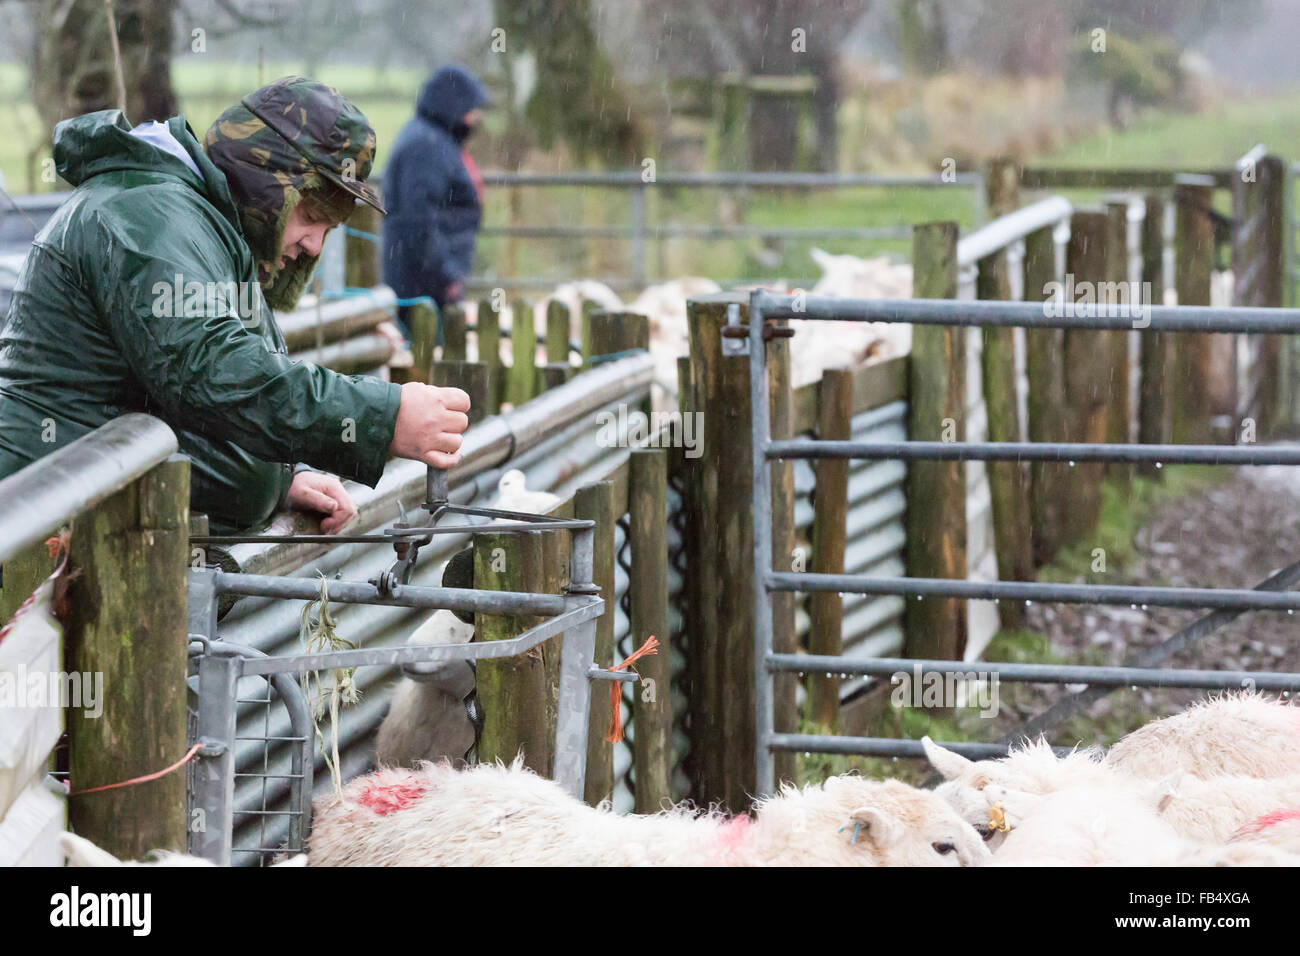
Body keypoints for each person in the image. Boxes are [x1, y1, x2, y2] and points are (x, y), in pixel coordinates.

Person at [0, 77, 469, 533]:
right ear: (266, 187)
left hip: (72, 525)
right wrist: (383, 417)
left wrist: (282, 477)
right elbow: (211, 370)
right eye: (310, 218)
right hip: (29, 524)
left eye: (329, 230)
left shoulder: (201, 230)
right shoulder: (150, 220)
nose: (313, 247)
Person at [382, 65, 489, 335]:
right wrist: (446, 276)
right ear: (454, 105)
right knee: (429, 358)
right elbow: (419, 220)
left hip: (423, 283)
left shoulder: (432, 140)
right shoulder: (427, 146)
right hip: (423, 290)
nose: (476, 117)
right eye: (472, 108)